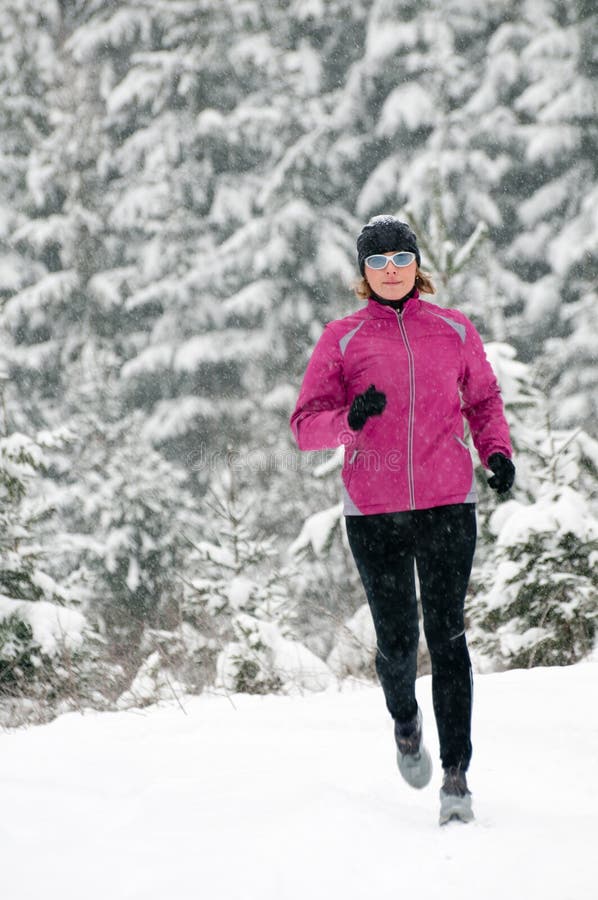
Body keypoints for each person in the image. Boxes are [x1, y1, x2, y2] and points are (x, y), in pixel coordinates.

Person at [289, 215, 515, 825]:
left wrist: (496, 452)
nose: (391, 270)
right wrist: (349, 421)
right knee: (395, 641)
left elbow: (484, 400)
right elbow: (305, 424)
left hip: (447, 503)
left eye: (401, 260)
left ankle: (458, 777)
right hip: (375, 511)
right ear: (363, 273)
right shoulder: (341, 338)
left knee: (448, 638)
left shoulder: (452, 329)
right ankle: (406, 724)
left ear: (417, 265)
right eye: (378, 262)